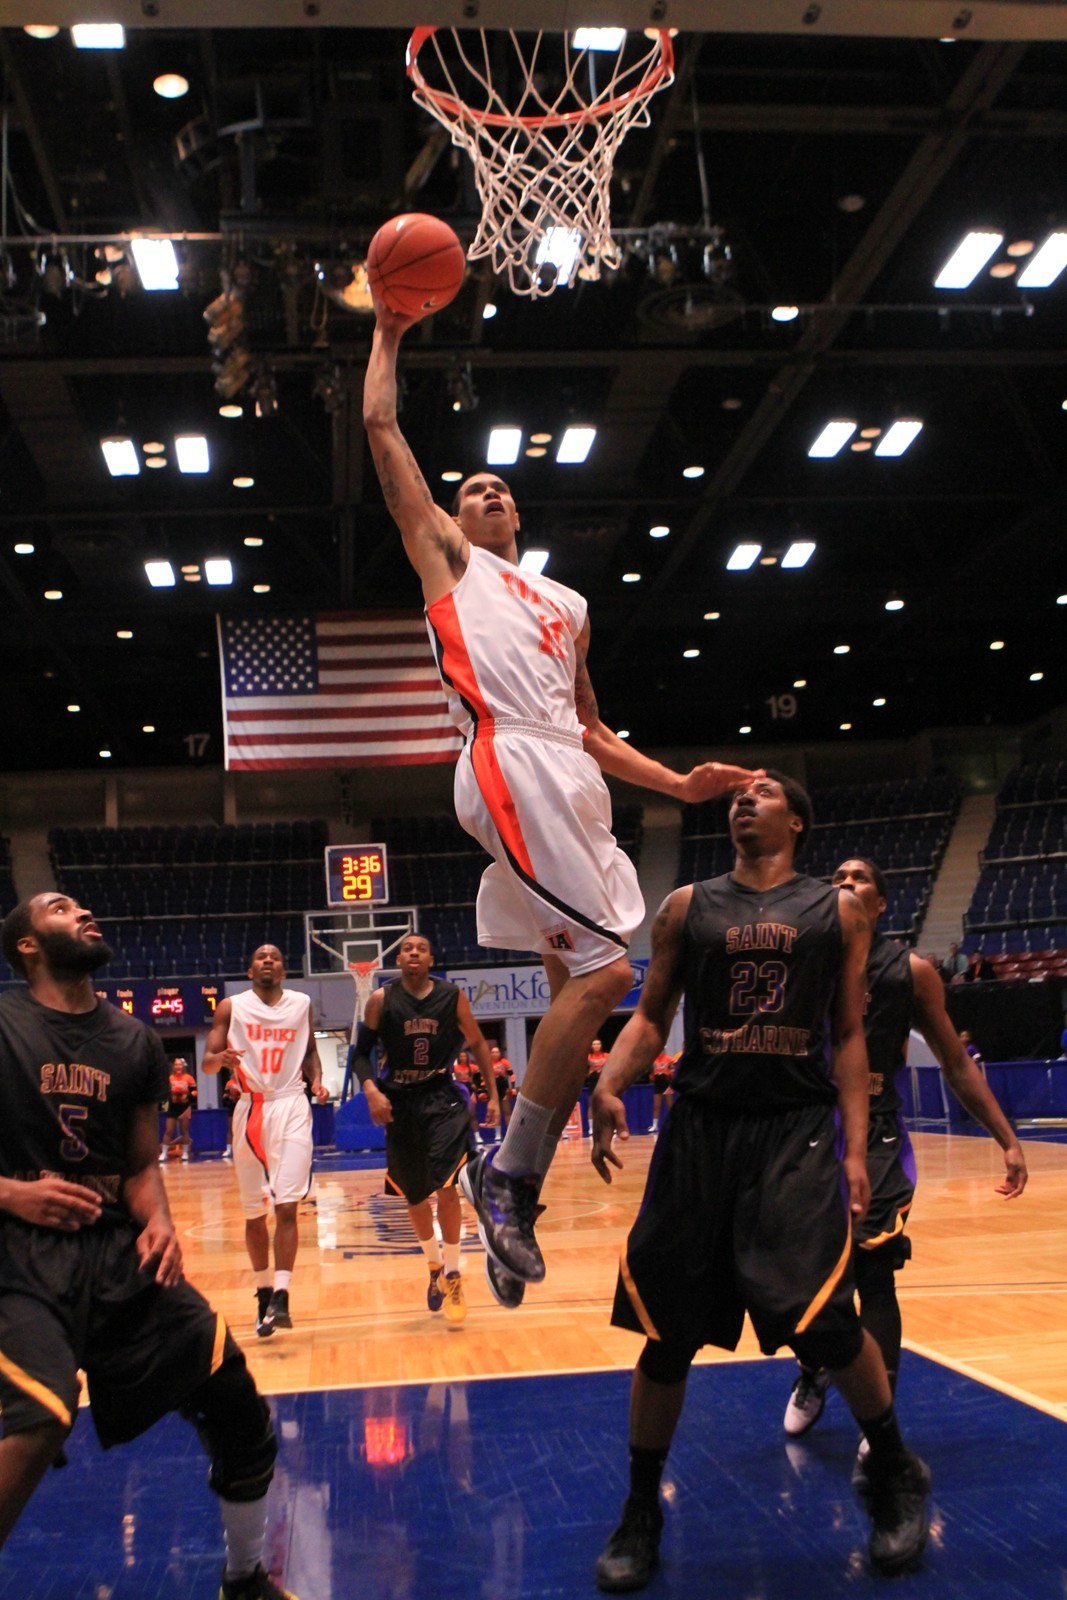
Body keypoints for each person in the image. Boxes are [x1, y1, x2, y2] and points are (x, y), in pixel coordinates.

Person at [363, 298, 758, 1309]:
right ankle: (511, 1175)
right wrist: (390, 335)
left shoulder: (568, 606)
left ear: (520, 514)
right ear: (450, 519)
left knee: (568, 972)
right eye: (469, 487)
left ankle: (507, 1216)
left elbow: (587, 725)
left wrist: (675, 784)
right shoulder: (448, 565)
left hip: (568, 774)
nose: (486, 492)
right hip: (503, 758)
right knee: (609, 970)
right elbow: (378, 429)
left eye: (500, 487)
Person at [588, 773, 930, 1590]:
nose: (746, 797)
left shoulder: (835, 909)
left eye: (766, 790)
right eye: (739, 792)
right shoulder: (684, 906)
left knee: (822, 1325)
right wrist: (608, 1082)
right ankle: (641, 1508)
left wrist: (854, 1150)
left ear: (797, 822)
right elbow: (648, 1014)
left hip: (794, 1132)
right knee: (665, 1334)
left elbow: (846, 1032)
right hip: (701, 1129)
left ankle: (892, 1469)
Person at [0, 894, 297, 1600]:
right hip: (14, 1252)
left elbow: (138, 1167)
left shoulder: (133, 1041)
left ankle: (245, 1576)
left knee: (235, 1401)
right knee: (40, 1415)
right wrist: (12, 1194)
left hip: (113, 1252)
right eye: (59, 907)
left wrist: (158, 1219)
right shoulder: (4, 1021)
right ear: (26, 947)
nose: (82, 912)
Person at [782, 859, 1026, 1443]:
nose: (844, 883)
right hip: (808, 1128)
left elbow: (956, 1064)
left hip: (879, 1132)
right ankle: (813, 1368)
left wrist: (1008, 1139)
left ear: (882, 903)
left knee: (875, 1274)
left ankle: (879, 1421)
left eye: (860, 877)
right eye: (836, 877)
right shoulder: (803, 961)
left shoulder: (909, 971)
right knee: (799, 1280)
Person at [352, 934, 499, 1326]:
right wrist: (371, 1091)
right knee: (413, 1195)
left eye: (420, 948)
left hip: (441, 1097)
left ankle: (453, 1273)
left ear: (431, 957)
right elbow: (360, 1055)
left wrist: (494, 1097)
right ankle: (433, 1265)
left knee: (447, 1184)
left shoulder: (452, 997)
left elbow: (479, 1045)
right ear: (398, 958)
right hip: (398, 1100)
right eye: (406, 949)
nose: (413, 953)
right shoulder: (381, 1000)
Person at [203, 945, 328, 1339]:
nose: (269, 960)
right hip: (250, 1108)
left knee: (287, 1205)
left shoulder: (301, 1003)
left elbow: (309, 1051)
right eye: (260, 956)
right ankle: (262, 1291)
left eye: (275, 956)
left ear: (284, 968)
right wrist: (219, 1059)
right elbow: (207, 1060)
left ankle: (283, 1295)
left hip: (291, 1104)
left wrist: (318, 1079)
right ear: (250, 968)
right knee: (254, 1214)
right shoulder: (231, 1006)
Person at [159, 1054, 197, 1164]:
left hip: (184, 1107)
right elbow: (164, 1092)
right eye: (176, 1065)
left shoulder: (189, 1078)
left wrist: (187, 1096)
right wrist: (171, 1096)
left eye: (180, 1064)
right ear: (173, 1067)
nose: (178, 1067)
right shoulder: (170, 1078)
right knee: (168, 1130)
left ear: (183, 1066)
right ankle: (164, 1153)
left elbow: (195, 1092)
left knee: (184, 1130)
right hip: (172, 1106)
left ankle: (185, 1153)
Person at [489, 1044, 515, 1132]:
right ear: (490, 1054)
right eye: (493, 1052)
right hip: (493, 1090)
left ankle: (510, 1132)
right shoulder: (488, 1063)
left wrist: (513, 1087)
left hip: (504, 1089)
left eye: (496, 1052)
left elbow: (512, 1075)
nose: (495, 1054)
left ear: (499, 1053)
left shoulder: (504, 1062)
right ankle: (497, 1134)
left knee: (507, 1111)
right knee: (496, 1113)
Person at [648, 1048, 675, 1133]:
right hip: (658, 1084)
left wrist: (672, 1079)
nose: (660, 1052)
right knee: (656, 1106)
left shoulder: (669, 1059)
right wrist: (652, 1076)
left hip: (666, 1083)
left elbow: (673, 1070)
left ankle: (674, 1123)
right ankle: (655, 1125)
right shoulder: (654, 1060)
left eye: (662, 1050)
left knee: (670, 1105)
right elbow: (652, 1073)